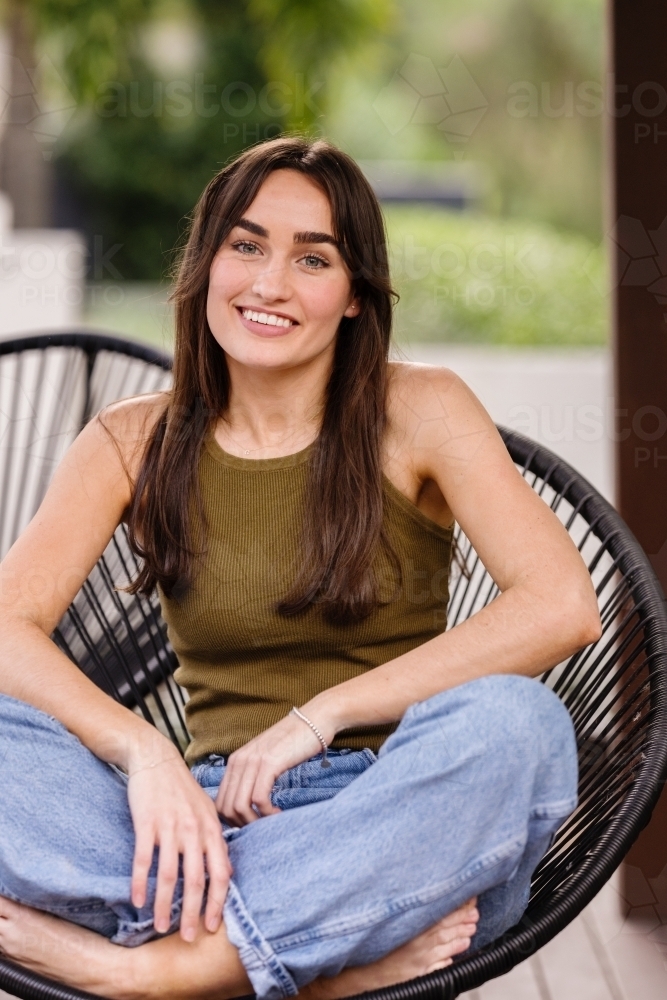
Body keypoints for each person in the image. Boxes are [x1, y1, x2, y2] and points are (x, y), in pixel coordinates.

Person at [0, 137, 601, 1000]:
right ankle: (322, 965)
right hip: (190, 836)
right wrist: (144, 757)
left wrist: (321, 717)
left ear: (355, 294)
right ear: (206, 262)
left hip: (393, 813)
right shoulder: (132, 441)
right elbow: (7, 628)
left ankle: (169, 974)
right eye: (245, 245)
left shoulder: (422, 409)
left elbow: (561, 605)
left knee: (518, 724)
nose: (268, 284)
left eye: (311, 258)